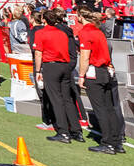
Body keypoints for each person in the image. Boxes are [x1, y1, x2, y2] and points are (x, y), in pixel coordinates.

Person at [75, 8, 124, 155]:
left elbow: (85, 57)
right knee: (109, 107)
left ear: (80, 17)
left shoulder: (85, 32)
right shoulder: (98, 31)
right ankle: (116, 142)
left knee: (100, 108)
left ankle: (108, 142)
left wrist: (81, 75)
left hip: (95, 71)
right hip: (105, 70)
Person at [33, 9, 83, 143]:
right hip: (65, 65)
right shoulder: (62, 33)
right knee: (67, 99)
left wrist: (38, 71)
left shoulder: (41, 33)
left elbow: (38, 53)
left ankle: (63, 131)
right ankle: (76, 131)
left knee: (56, 99)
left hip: (52, 65)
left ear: (44, 20)